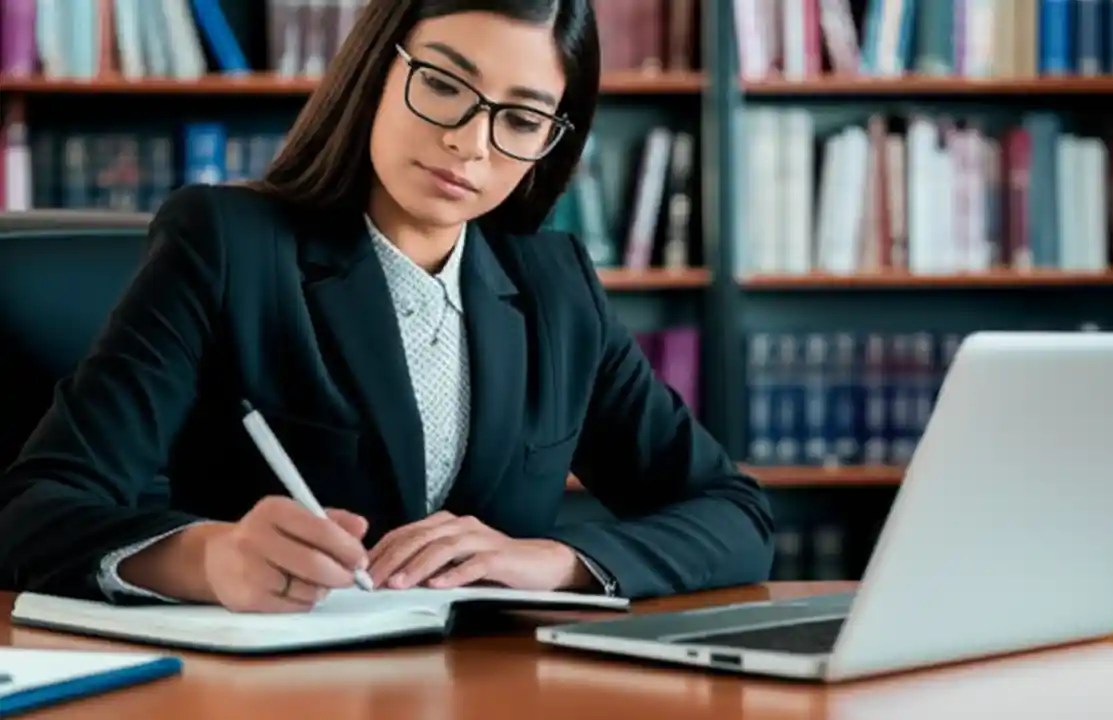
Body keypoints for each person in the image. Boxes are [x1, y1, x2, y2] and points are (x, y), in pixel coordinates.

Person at [0, 0, 773, 613]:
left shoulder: (556, 285)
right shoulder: (227, 246)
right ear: (377, 67)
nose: (472, 144)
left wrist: (559, 560)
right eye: (442, 85)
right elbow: (37, 512)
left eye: (523, 119)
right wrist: (209, 558)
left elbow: (735, 514)